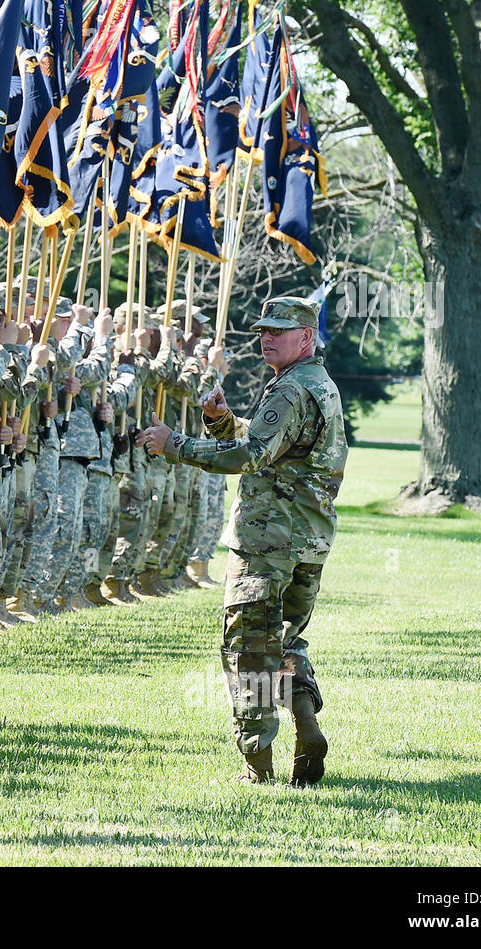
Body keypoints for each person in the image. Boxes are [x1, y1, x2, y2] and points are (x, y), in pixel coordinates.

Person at [139, 295, 347, 786]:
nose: (267, 338)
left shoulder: (291, 389)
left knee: (248, 648)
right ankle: (307, 724)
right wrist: (220, 422)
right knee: (285, 638)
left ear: (307, 337)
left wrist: (177, 445)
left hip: (267, 542)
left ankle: (259, 764)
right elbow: (272, 445)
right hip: (307, 540)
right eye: (262, 331)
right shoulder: (316, 384)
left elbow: (251, 456)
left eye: (279, 330)